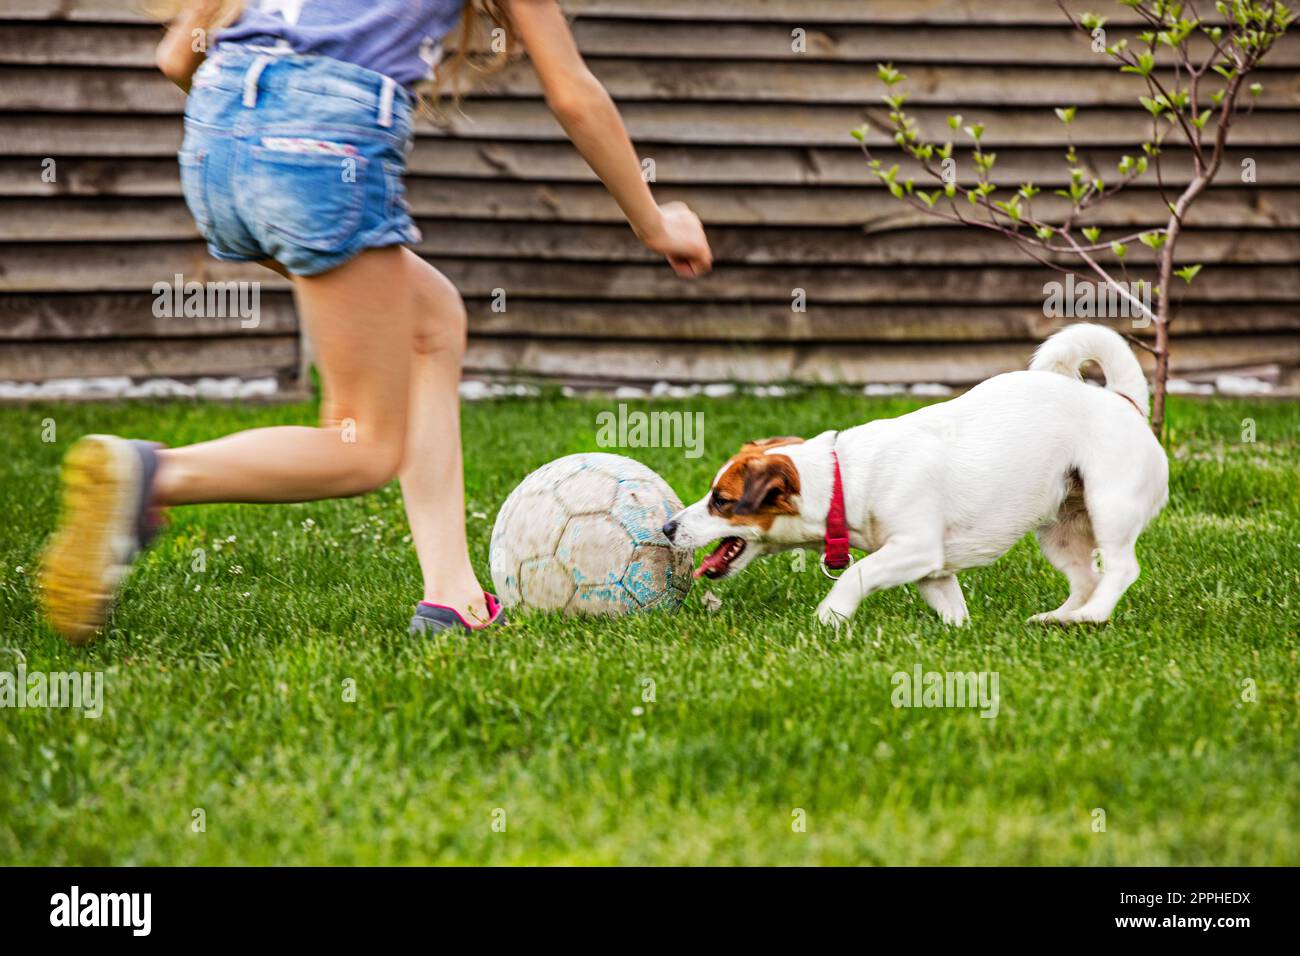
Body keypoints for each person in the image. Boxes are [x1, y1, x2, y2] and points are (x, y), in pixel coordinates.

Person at [38, 0, 712, 644]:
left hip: (216, 139)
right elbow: (572, 92)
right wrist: (654, 221)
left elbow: (174, 57)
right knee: (362, 444)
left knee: (432, 320)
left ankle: (453, 596)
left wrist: (259, 139)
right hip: (321, 150)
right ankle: (153, 474)